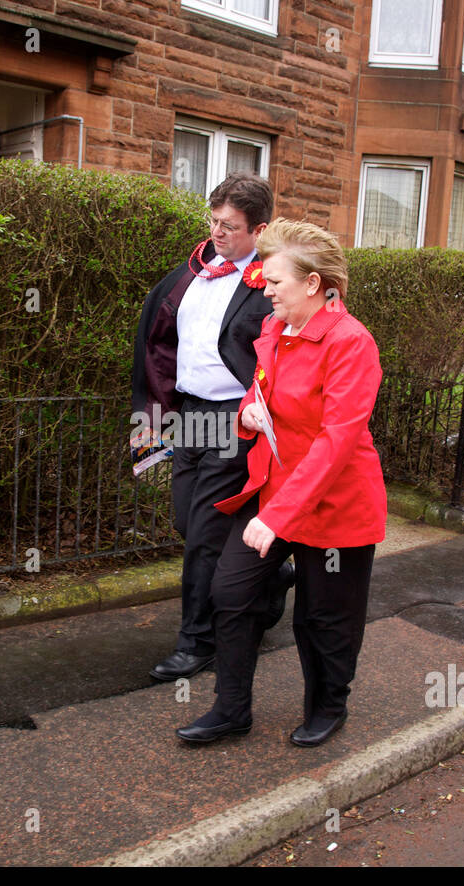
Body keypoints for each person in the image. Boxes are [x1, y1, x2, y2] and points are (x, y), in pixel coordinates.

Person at [175, 218, 387, 747]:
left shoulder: (351, 342)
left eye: (274, 282)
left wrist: (277, 517)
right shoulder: (274, 328)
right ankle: (231, 710)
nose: (264, 290)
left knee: (324, 617)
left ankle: (327, 706)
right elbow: (260, 389)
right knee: (231, 591)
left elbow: (337, 439)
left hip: (335, 502)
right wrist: (248, 412)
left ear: (313, 284)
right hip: (273, 487)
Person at [132, 172, 294, 683]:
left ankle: (197, 642)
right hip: (192, 414)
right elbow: (158, 340)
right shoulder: (193, 272)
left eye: (230, 226)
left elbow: (286, 351)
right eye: (214, 221)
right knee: (187, 522)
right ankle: (271, 578)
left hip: (235, 416)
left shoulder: (270, 282)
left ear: (259, 229)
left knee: (203, 535)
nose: (217, 232)